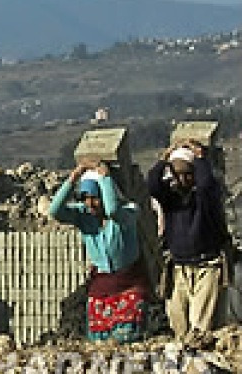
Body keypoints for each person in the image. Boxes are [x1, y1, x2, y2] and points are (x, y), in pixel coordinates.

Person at [47, 159, 147, 343]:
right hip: (101, 290)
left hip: (128, 288)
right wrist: (74, 177)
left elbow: (113, 210)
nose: (90, 203)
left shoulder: (129, 212)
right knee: (100, 344)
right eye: (85, 198)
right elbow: (54, 211)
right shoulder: (83, 216)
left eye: (95, 197)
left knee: (127, 340)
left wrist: (105, 177)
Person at [147, 143, 230, 343]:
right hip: (179, 268)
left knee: (200, 325)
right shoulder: (171, 200)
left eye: (188, 174)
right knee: (178, 323)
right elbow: (152, 185)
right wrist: (164, 159)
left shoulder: (204, 199)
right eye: (178, 174)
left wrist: (200, 158)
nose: (183, 179)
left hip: (206, 267)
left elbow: (206, 185)